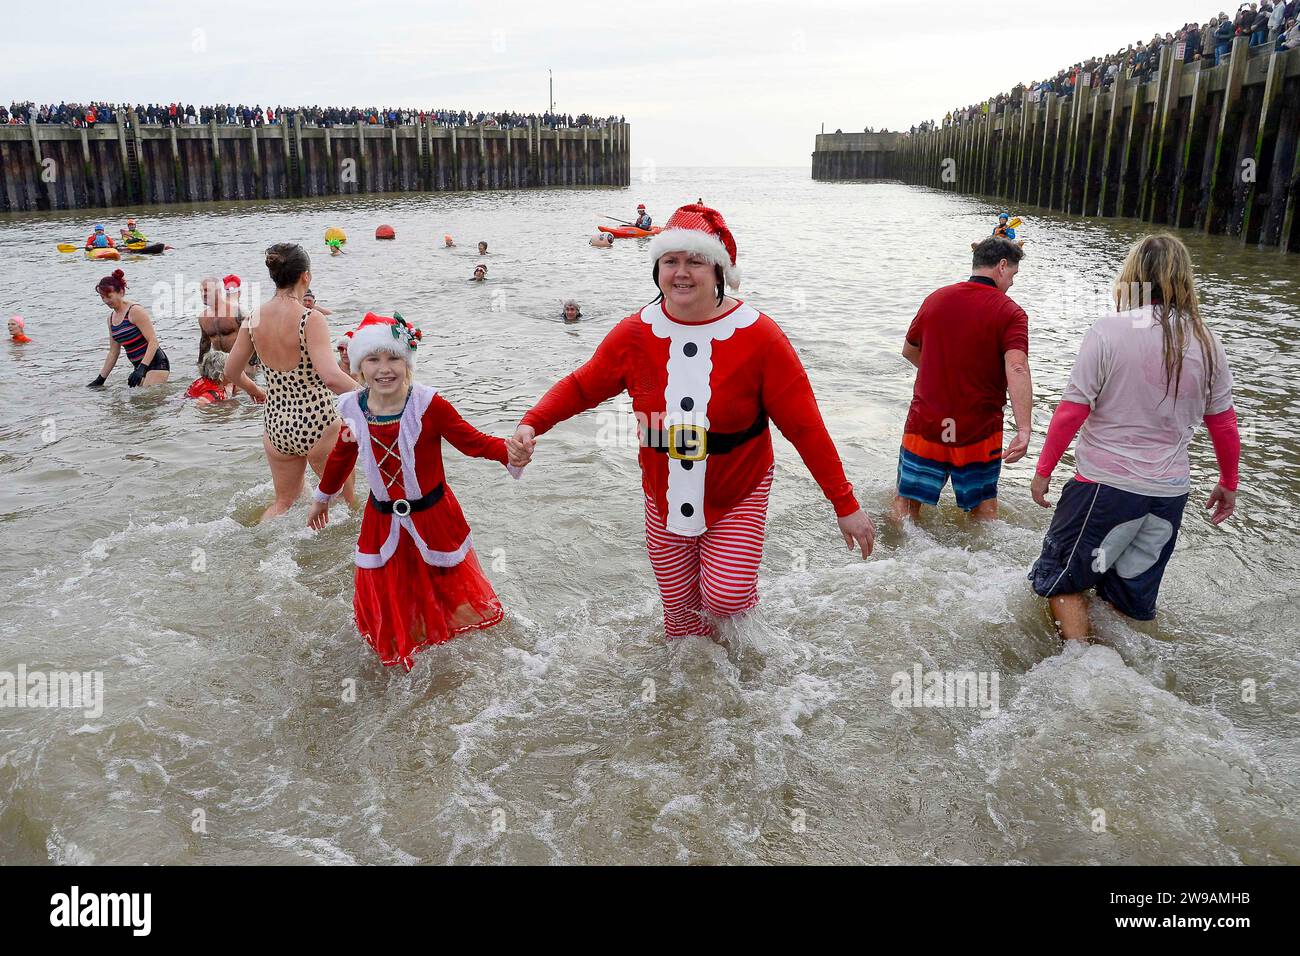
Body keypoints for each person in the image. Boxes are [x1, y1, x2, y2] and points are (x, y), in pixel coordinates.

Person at [512, 204, 875, 641]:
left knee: (725, 596)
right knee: (681, 619)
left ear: (718, 270)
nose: (681, 273)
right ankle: (696, 690)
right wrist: (533, 423)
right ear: (657, 269)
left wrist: (845, 504)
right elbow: (582, 386)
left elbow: (805, 427)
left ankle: (748, 652)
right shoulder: (634, 333)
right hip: (661, 492)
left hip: (739, 487)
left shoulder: (760, 336)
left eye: (694, 261)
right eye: (671, 261)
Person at [1029, 234, 1239, 644]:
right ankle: (1119, 677)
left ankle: (1080, 672)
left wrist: (1043, 471)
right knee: (1124, 602)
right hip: (1169, 496)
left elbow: (1073, 409)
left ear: (1133, 276)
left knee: (1062, 582)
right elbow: (1224, 423)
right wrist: (1228, 482)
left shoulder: (1110, 330)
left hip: (1105, 489)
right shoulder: (1209, 342)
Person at [307, 312, 527, 670]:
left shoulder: (428, 405)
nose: (384, 368)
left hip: (432, 515)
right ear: (360, 367)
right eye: (373, 360)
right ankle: (407, 649)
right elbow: (342, 455)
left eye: (393, 358)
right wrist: (322, 498)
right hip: (381, 520)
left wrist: (509, 452)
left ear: (407, 362)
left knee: (446, 588)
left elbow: (470, 441)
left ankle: (456, 663)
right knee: (394, 591)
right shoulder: (352, 409)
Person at [893, 237, 1032, 521]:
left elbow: (909, 351)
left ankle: (896, 554)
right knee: (983, 509)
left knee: (906, 504)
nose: (1012, 284)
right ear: (1002, 266)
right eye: (1014, 275)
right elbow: (1017, 368)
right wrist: (1024, 428)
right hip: (977, 427)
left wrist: (941, 374)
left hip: (927, 421)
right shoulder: (1010, 312)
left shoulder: (937, 298)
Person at [223, 243, 358, 521]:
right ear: (305, 276)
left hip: (275, 424)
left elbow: (231, 370)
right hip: (316, 421)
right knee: (345, 502)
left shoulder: (254, 317)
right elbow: (331, 377)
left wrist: (255, 390)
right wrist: (372, 396)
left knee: (283, 502)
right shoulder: (311, 318)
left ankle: (261, 546)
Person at [88, 269, 170, 388]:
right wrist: (100, 380)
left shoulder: (135, 311)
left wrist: (142, 368)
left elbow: (153, 342)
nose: (106, 301)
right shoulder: (111, 319)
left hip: (156, 364)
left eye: (109, 296)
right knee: (137, 404)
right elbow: (113, 352)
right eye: (102, 297)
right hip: (139, 368)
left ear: (121, 292)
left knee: (147, 399)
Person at [198, 277, 264, 401]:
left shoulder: (238, 311)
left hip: (243, 365)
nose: (203, 294)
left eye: (206, 290)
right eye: (201, 291)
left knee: (246, 401)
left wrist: (254, 363)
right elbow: (204, 343)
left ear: (218, 291)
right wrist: (201, 367)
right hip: (221, 367)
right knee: (224, 401)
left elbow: (254, 336)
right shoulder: (203, 317)